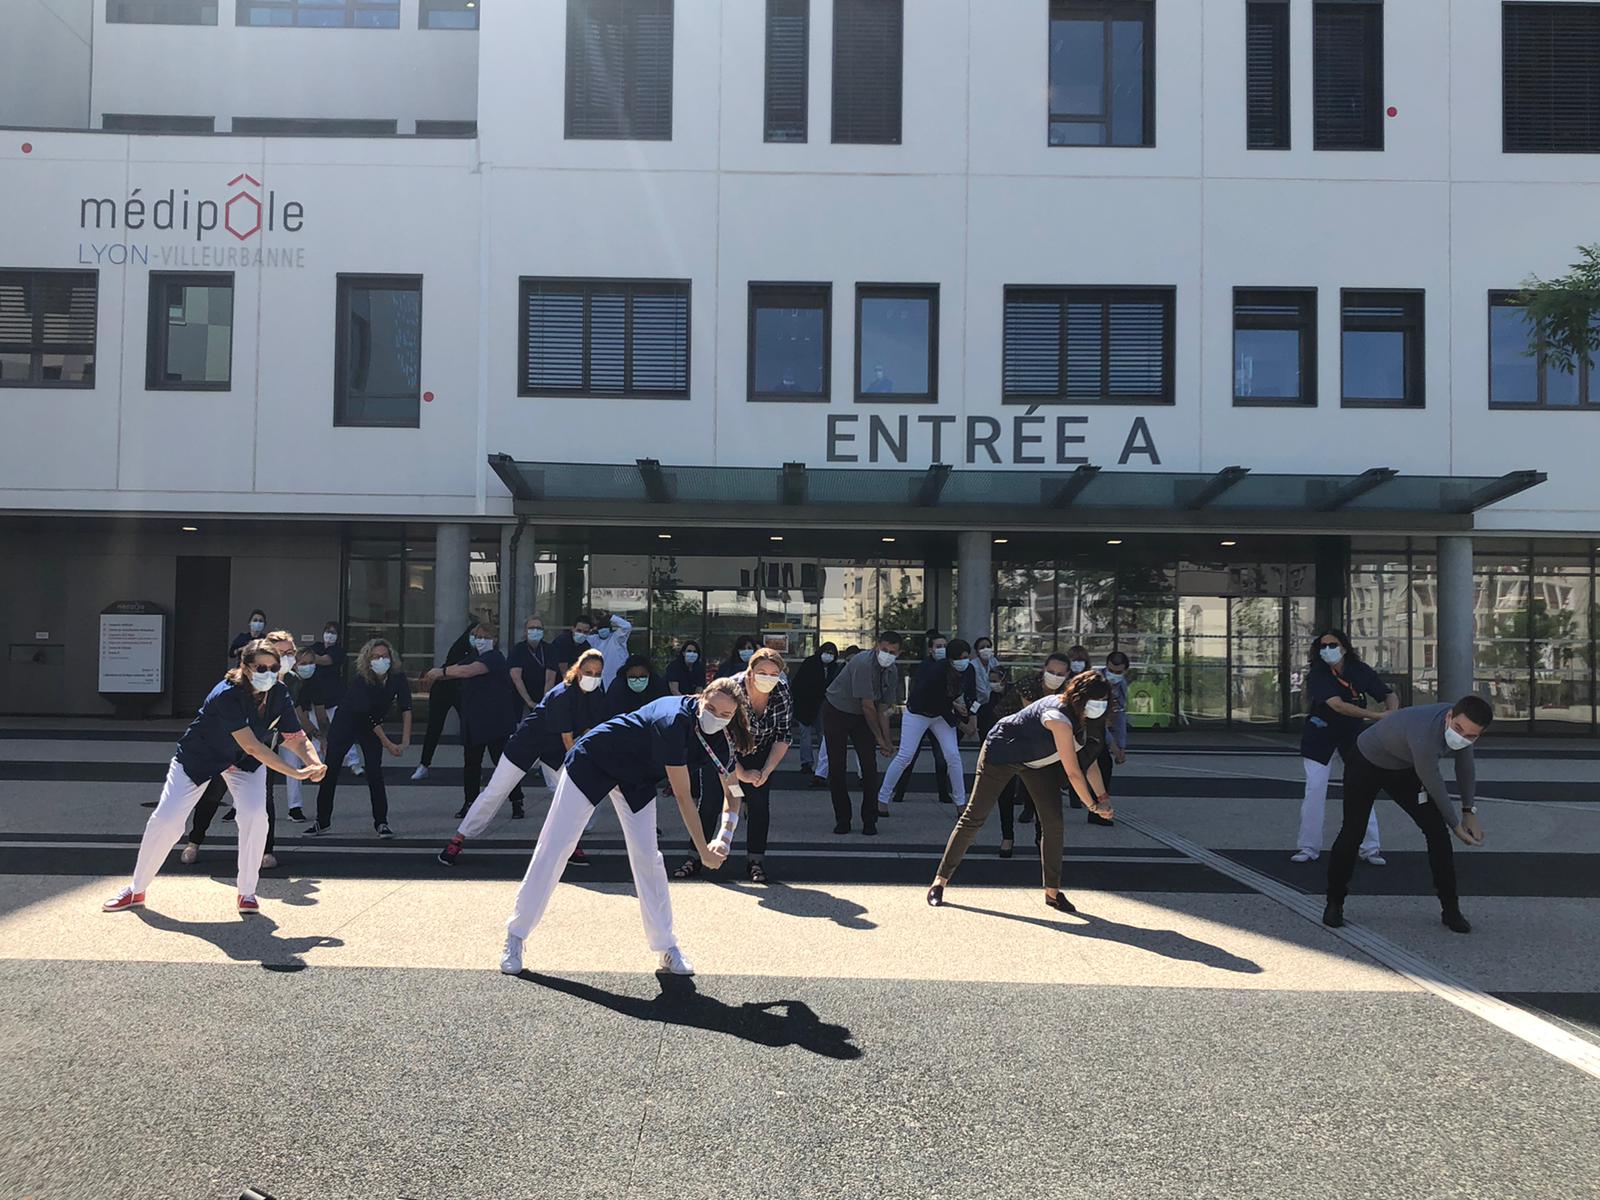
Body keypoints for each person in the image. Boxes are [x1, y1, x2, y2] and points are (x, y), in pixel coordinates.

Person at [498, 682, 752, 978]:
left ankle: (666, 946)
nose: (716, 716)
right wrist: (703, 850)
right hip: (595, 761)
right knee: (556, 845)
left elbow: (733, 791)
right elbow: (683, 797)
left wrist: (724, 838)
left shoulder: (723, 737)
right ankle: (516, 935)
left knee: (648, 857)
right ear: (701, 696)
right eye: (710, 708)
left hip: (637, 779)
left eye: (725, 713)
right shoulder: (673, 721)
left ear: (734, 715)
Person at [102, 639, 326, 914]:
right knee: (168, 819)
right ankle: (136, 889)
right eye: (261, 667)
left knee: (256, 816)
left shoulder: (279, 693)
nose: (268, 672)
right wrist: (296, 772)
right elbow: (253, 745)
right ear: (244, 667)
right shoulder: (226, 694)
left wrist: (315, 763)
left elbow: (295, 736)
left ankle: (247, 893)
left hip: (243, 762)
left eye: (273, 667)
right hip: (201, 757)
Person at [927, 673, 1114, 914]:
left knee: (1054, 823)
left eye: (1104, 700)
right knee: (974, 817)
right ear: (1079, 697)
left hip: (1037, 762)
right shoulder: (1058, 717)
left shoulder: (1088, 716)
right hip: (1002, 753)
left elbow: (1090, 762)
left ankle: (1053, 892)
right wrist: (1092, 806)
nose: (1100, 705)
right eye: (1095, 700)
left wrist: (1103, 798)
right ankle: (939, 882)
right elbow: (1073, 772)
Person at [1323, 696, 1491, 935]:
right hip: (1365, 761)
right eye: (1458, 729)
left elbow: (1465, 766)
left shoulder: (1464, 731)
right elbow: (1433, 781)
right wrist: (1456, 824)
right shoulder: (1424, 734)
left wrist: (1469, 811)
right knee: (1353, 832)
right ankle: (1334, 902)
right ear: (1448, 717)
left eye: (1471, 735)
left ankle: (1450, 909)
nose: (1462, 737)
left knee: (1436, 833)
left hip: (1402, 767)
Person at [437, 650, 605, 868]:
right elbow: (567, 740)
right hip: (527, 743)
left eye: (597, 673)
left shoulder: (596, 695)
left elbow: (590, 728)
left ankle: (570, 845)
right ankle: (458, 839)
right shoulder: (562, 694)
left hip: (553, 750)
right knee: (496, 791)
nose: (593, 676)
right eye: (588, 671)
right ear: (577, 670)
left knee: (569, 797)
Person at [182, 630, 309, 865]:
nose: (287, 658)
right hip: (232, 746)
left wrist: (306, 752)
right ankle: (194, 841)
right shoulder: (237, 687)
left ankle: (265, 850)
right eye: (282, 653)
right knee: (213, 794)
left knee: (264, 798)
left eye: (291, 653)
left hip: (265, 745)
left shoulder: (292, 683)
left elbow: (290, 720)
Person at [675, 647, 791, 884]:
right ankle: (696, 856)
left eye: (773, 673)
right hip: (720, 751)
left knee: (759, 805)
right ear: (750, 671)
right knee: (710, 802)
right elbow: (720, 735)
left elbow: (783, 735)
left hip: (759, 753)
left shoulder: (782, 692)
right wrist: (741, 773)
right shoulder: (732, 689)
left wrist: (765, 771)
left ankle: (755, 861)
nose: (767, 678)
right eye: (761, 672)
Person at [1294, 630, 1396, 864]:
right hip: (1320, 735)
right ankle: (1308, 847)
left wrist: (1392, 711)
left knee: (1361, 788)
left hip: (1352, 735)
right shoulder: (1318, 674)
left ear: (1344, 646)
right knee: (1315, 789)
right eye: (1323, 645)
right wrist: (1376, 716)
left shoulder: (1359, 671)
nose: (1327, 649)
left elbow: (1387, 693)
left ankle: (1370, 847)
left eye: (1333, 644)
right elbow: (1338, 705)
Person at [305, 638, 411, 838]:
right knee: (331, 770)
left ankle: (381, 822)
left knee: (374, 772)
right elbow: (367, 715)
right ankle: (322, 821)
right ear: (368, 660)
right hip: (347, 723)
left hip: (371, 727)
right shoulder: (361, 680)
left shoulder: (397, 678)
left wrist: (405, 741)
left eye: (384, 656)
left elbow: (406, 708)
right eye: (376, 657)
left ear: (391, 658)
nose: (381, 660)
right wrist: (388, 744)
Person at [424, 622, 525, 820]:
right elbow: (458, 668)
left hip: (495, 722)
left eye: (484, 636)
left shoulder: (494, 658)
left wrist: (441, 672)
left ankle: (516, 800)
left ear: (494, 640)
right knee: (471, 763)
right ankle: (470, 802)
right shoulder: (472, 657)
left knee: (502, 764)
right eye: (476, 636)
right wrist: (437, 675)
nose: (479, 640)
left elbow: (468, 671)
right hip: (474, 720)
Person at [881, 636, 975, 814]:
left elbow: (971, 694)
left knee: (953, 756)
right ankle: (882, 798)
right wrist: (960, 724)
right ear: (950, 659)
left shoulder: (969, 670)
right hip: (918, 713)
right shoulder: (937, 671)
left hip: (941, 715)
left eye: (966, 657)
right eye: (961, 657)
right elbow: (938, 702)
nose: (965, 661)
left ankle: (961, 803)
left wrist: (971, 714)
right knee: (905, 756)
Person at [821, 630, 901, 836]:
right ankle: (843, 819)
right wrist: (880, 739)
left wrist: (888, 740)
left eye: (892, 652)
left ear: (898, 654)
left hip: (862, 716)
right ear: (876, 646)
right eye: (884, 650)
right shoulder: (862, 663)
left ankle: (869, 819)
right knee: (837, 766)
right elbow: (868, 706)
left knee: (869, 766)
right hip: (837, 710)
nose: (887, 655)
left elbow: (883, 708)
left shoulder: (892, 671)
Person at [411, 620, 476, 782]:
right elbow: (454, 668)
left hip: (464, 691)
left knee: (470, 729)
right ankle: (424, 765)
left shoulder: (484, 653)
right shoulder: (459, 647)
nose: (477, 639)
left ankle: (474, 767)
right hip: (444, 688)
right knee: (434, 727)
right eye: (474, 635)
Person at [1013, 651, 1073, 826]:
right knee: (1030, 764)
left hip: (1050, 728)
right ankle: (1028, 805)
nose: (1055, 677)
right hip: (1018, 726)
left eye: (1060, 674)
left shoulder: (1068, 689)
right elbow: (1031, 718)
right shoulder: (1028, 684)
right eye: (1051, 671)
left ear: (1067, 675)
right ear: (1043, 669)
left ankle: (1045, 810)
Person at [975, 664, 1024, 856]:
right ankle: (1007, 836)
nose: (993, 683)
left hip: (1026, 750)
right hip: (1004, 753)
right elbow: (986, 730)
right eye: (991, 679)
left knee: (1034, 795)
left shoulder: (1019, 697)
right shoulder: (989, 702)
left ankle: (1039, 837)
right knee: (1005, 795)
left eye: (996, 679)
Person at [1088, 650, 1134, 828]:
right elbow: (1096, 720)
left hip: (1100, 733)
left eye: (1119, 672)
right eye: (1111, 671)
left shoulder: (1121, 685)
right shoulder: (1094, 682)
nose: (1114, 676)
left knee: (1103, 767)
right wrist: (1114, 746)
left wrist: (1121, 746)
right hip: (1087, 730)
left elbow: (1120, 715)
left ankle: (1097, 809)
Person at [309, 619, 360, 777]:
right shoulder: (316, 647)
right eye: (327, 631)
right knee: (316, 731)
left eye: (333, 633)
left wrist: (310, 657)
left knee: (342, 729)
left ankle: (354, 762)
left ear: (337, 637)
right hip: (314, 695)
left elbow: (325, 661)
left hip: (334, 696)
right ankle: (317, 764)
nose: (329, 635)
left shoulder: (339, 651)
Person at [788, 641, 838, 780]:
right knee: (806, 735)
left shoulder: (834, 668)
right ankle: (806, 763)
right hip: (806, 704)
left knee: (823, 735)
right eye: (827, 652)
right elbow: (799, 684)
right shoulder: (810, 664)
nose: (829, 655)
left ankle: (824, 765)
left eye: (832, 653)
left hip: (823, 705)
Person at [508, 614, 550, 711]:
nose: (535, 630)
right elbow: (516, 678)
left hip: (543, 698)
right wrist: (529, 702)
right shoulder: (518, 649)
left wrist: (543, 702)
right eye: (531, 628)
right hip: (520, 700)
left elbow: (550, 679)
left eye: (538, 628)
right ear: (525, 631)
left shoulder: (549, 649)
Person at [608, 652, 670, 717]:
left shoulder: (657, 684)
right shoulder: (618, 687)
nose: (637, 680)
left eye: (642, 676)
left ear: (649, 674)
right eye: (632, 677)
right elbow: (611, 713)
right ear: (626, 674)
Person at [544, 613, 594, 693]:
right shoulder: (562, 642)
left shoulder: (586, 646)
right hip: (555, 679)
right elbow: (563, 669)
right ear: (573, 629)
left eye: (585, 632)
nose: (581, 634)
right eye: (579, 630)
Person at [590, 611, 634, 688]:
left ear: (610, 628)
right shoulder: (594, 639)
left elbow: (627, 626)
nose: (603, 629)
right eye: (601, 627)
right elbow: (581, 636)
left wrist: (611, 617)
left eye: (605, 627)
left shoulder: (616, 638)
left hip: (618, 677)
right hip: (599, 679)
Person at [972, 636, 1002, 707]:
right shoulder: (973, 665)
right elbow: (982, 691)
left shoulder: (993, 661)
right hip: (976, 702)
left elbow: (1000, 678)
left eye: (988, 647)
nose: (986, 649)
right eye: (982, 647)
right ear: (977, 652)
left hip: (992, 701)